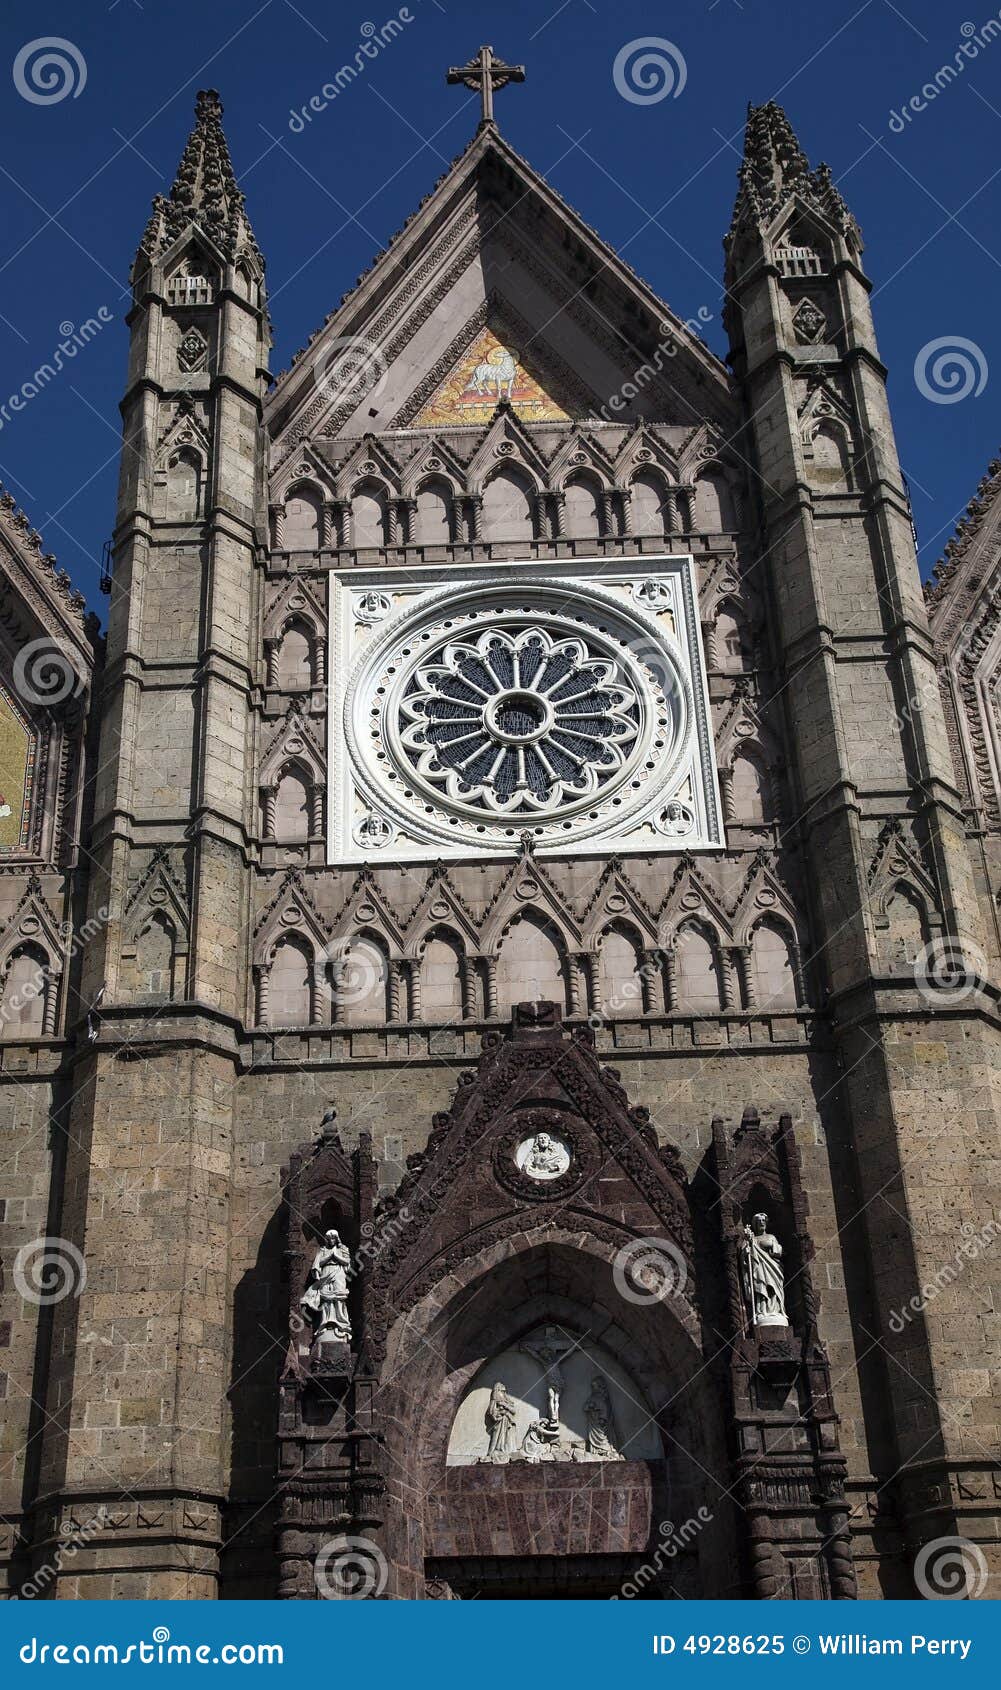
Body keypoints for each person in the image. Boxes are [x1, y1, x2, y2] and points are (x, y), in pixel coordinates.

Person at [300, 1228, 352, 1343]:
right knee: (325, 1299)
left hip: (338, 1273)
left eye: (333, 1238)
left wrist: (335, 1256)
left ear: (336, 1238)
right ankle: (325, 1322)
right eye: (329, 1238)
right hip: (326, 1273)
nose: (331, 1240)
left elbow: (347, 1262)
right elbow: (318, 1263)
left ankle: (341, 1324)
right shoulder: (323, 1250)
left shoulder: (343, 1248)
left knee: (339, 1298)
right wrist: (329, 1256)